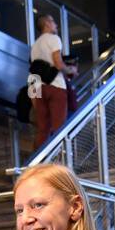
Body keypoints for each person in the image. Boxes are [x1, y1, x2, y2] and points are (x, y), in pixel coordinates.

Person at [29, 14, 70, 149]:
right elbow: (58, 63)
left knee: (42, 129)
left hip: (39, 89)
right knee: (59, 126)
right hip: (55, 86)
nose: (56, 25)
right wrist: (70, 70)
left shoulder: (35, 45)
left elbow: (33, 72)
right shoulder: (54, 39)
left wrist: (34, 96)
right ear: (47, 23)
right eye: (53, 22)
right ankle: (60, 158)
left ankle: (39, 161)